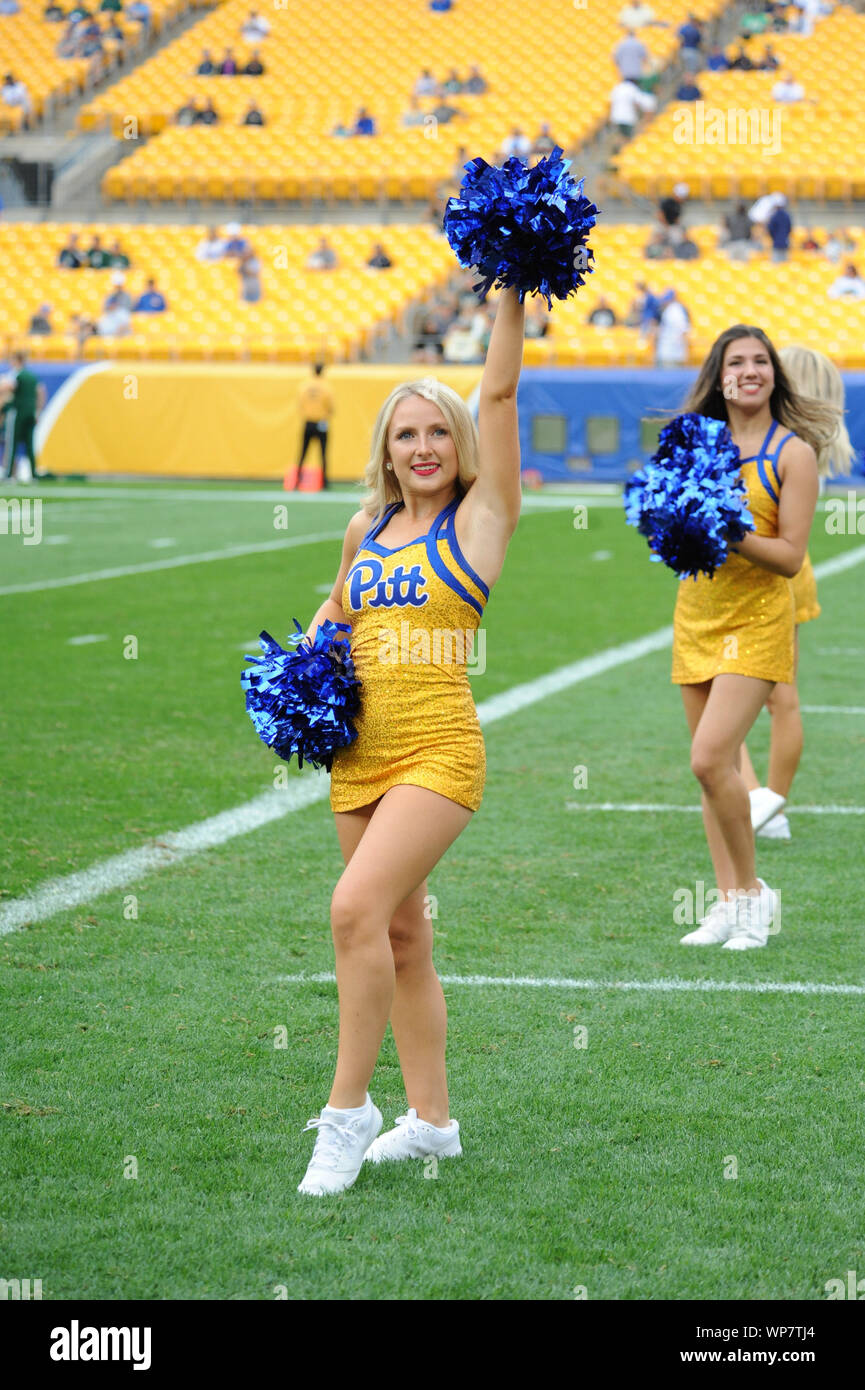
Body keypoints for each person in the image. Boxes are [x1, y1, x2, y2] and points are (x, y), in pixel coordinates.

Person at [296, 290, 526, 1196]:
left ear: (459, 443)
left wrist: (508, 295)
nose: (422, 447)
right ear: (386, 450)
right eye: (405, 435)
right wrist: (304, 664)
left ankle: (347, 1114)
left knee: (351, 911)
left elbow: (500, 397)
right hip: (359, 757)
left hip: (438, 754)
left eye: (438, 431)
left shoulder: (479, 520)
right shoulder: (369, 527)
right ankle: (432, 1125)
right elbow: (338, 609)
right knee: (399, 938)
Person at [672, 326, 836, 948]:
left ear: (774, 375)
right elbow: (675, 538)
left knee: (711, 756)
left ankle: (755, 897)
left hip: (757, 621)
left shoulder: (791, 453)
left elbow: (791, 557)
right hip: (697, 613)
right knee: (713, 776)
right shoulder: (697, 445)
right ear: (718, 376)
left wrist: (725, 528)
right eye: (736, 361)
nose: (749, 370)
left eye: (760, 361)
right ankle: (729, 902)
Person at [738, 345, 855, 840]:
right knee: (774, 695)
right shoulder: (799, 443)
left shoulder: (780, 444)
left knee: (741, 691)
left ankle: (763, 805)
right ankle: (764, 803)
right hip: (790, 569)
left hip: (767, 572)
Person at [1, 351, 45, 480]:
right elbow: (41, 391)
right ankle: (33, 474)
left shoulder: (16, 374)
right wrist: (38, 410)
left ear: (16, 360)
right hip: (31, 413)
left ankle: (9, 474)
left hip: (18, 412)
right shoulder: (31, 375)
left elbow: (7, 388)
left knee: (12, 443)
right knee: (29, 445)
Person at [293, 361, 333, 489]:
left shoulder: (304, 386)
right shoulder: (327, 387)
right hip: (321, 423)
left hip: (308, 422)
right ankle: (324, 483)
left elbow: (300, 403)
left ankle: (297, 481)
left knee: (303, 453)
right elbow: (331, 407)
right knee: (323, 454)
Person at [652, 287, 690, 365]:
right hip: (668, 351)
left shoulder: (675, 310)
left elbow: (683, 329)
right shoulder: (670, 309)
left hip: (673, 351)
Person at [766, 194, 792, 261]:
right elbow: (789, 228)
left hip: (776, 242)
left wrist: (774, 237)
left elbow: (770, 229)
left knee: (777, 263)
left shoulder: (774, 216)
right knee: (784, 263)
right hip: (785, 241)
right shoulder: (786, 215)